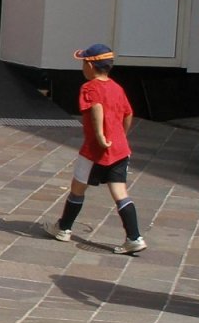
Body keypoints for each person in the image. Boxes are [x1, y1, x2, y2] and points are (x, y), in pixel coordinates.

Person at [46, 44, 146, 255]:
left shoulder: (89, 87)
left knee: (77, 188)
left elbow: (96, 107)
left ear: (91, 65)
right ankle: (134, 237)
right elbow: (129, 113)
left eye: (83, 63)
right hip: (120, 149)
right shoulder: (117, 88)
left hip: (94, 150)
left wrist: (100, 135)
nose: (82, 67)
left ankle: (64, 228)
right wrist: (121, 134)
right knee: (120, 192)